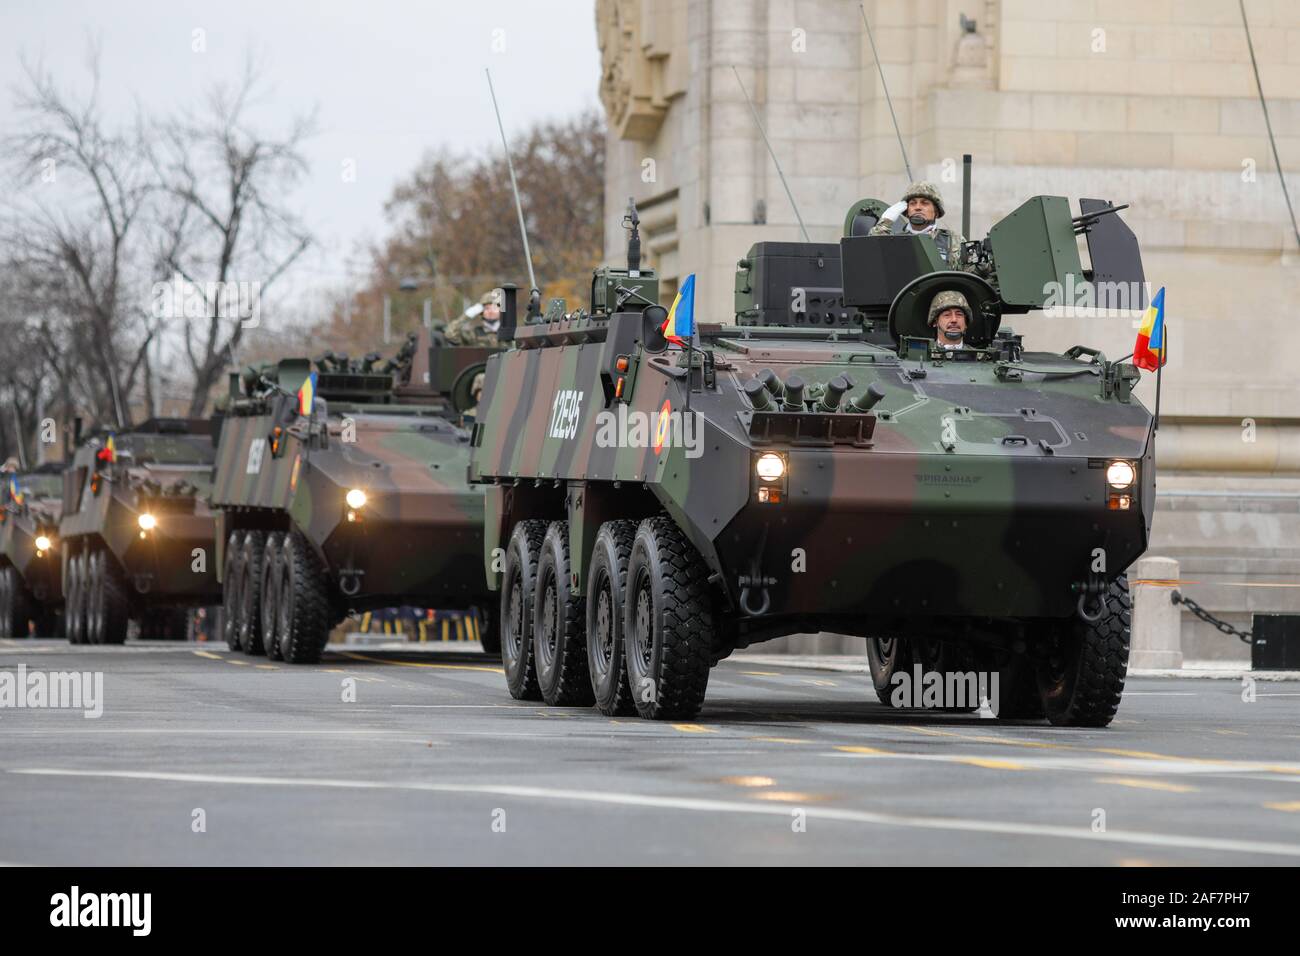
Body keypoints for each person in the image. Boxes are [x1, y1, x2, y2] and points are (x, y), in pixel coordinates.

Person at [869, 181, 967, 268]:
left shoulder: (954, 240)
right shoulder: (894, 239)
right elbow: (872, 256)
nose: (918, 207)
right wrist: (885, 222)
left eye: (925, 203)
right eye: (913, 203)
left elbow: (970, 274)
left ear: (936, 212)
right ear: (907, 211)